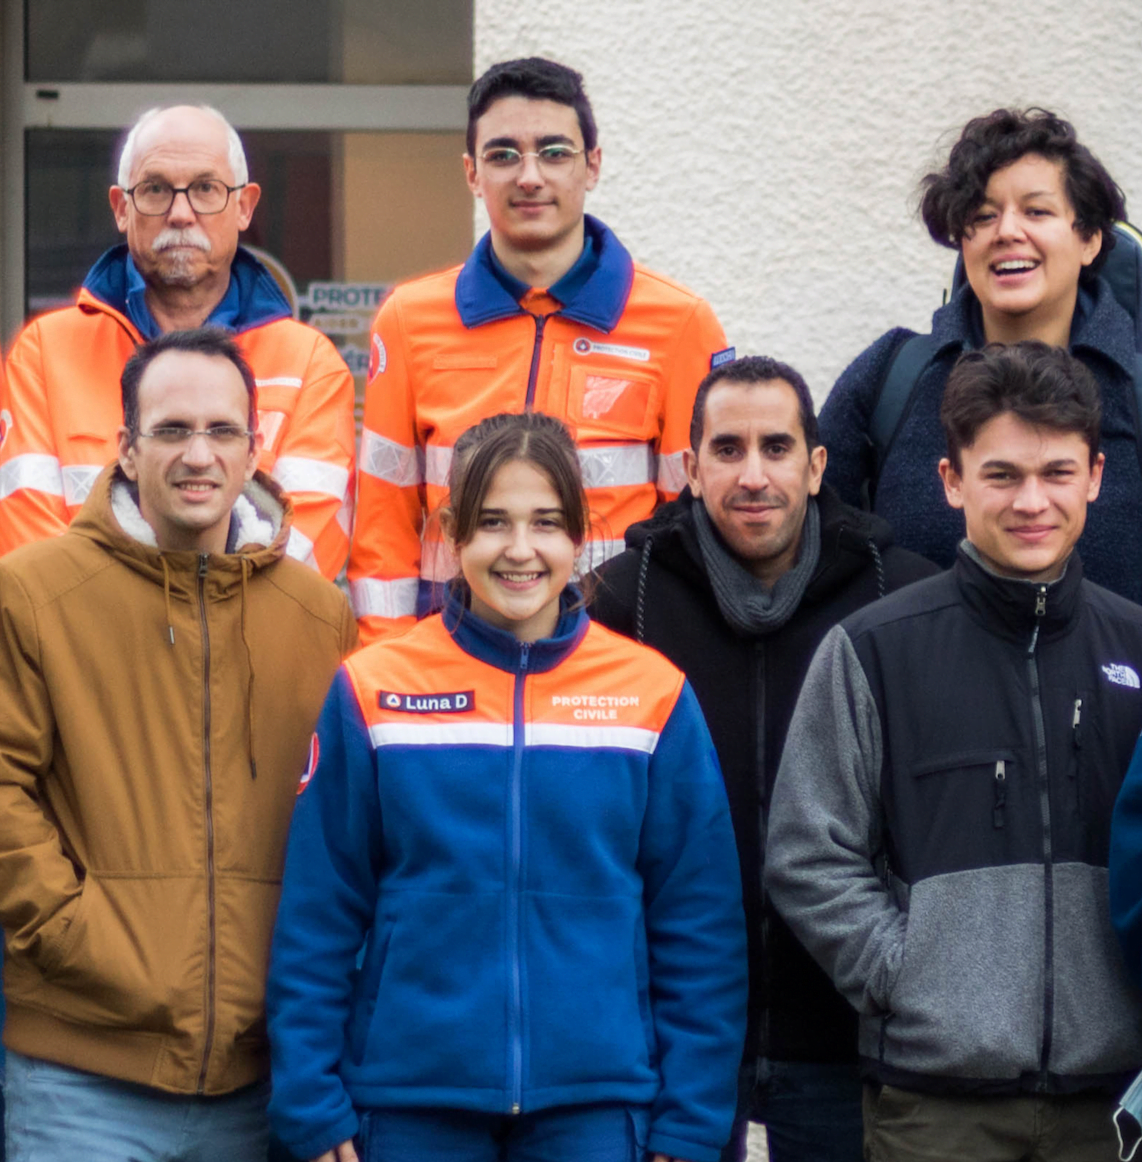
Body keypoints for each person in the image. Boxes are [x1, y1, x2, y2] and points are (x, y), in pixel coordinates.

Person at [268, 411, 747, 1162]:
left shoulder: (651, 695)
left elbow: (699, 925)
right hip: (408, 1105)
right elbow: (318, 910)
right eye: (493, 522)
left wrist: (691, 1119)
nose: (520, 550)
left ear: (579, 535)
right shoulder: (372, 689)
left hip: (596, 1110)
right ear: (452, 533)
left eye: (546, 522)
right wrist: (309, 1099)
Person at [766, 341, 1142, 1162]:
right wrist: (909, 978)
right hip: (935, 1111)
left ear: (1095, 477)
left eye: (1057, 472)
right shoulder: (874, 650)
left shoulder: (1135, 649)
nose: (1032, 501)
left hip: (1112, 1108)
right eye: (1001, 474)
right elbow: (806, 853)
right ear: (952, 481)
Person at [0, 328, 357, 1160]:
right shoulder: (32, 595)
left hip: (258, 1080)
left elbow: (341, 828)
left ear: (254, 449)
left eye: (222, 430)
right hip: (80, 1073)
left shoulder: (318, 617)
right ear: (126, 449)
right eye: (171, 431)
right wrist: (74, 930)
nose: (199, 455)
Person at [590, 355, 937, 1162]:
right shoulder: (618, 604)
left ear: (816, 468)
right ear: (690, 468)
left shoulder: (900, 601)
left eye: (777, 448)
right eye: (728, 449)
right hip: (672, 1040)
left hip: (847, 1038)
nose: (753, 476)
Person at [347, 56, 730, 642]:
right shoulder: (407, 320)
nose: (529, 176)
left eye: (554, 152)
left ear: (592, 165)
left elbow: (696, 531)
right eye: (503, 155)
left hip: (612, 657)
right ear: (472, 173)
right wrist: (390, 668)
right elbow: (384, 529)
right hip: (450, 652)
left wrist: (660, 669)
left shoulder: (681, 324)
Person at [0, 104, 356, 578]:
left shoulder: (310, 364)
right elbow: (31, 556)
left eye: (206, 188)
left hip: (236, 633)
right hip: (82, 630)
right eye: (156, 189)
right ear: (121, 208)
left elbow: (297, 562)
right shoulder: (45, 354)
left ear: (244, 206)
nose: (181, 214)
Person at [818, 108, 1142, 603]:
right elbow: (808, 542)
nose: (1006, 231)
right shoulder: (891, 376)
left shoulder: (1132, 388)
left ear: (1090, 240)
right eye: (984, 216)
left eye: (1037, 212)